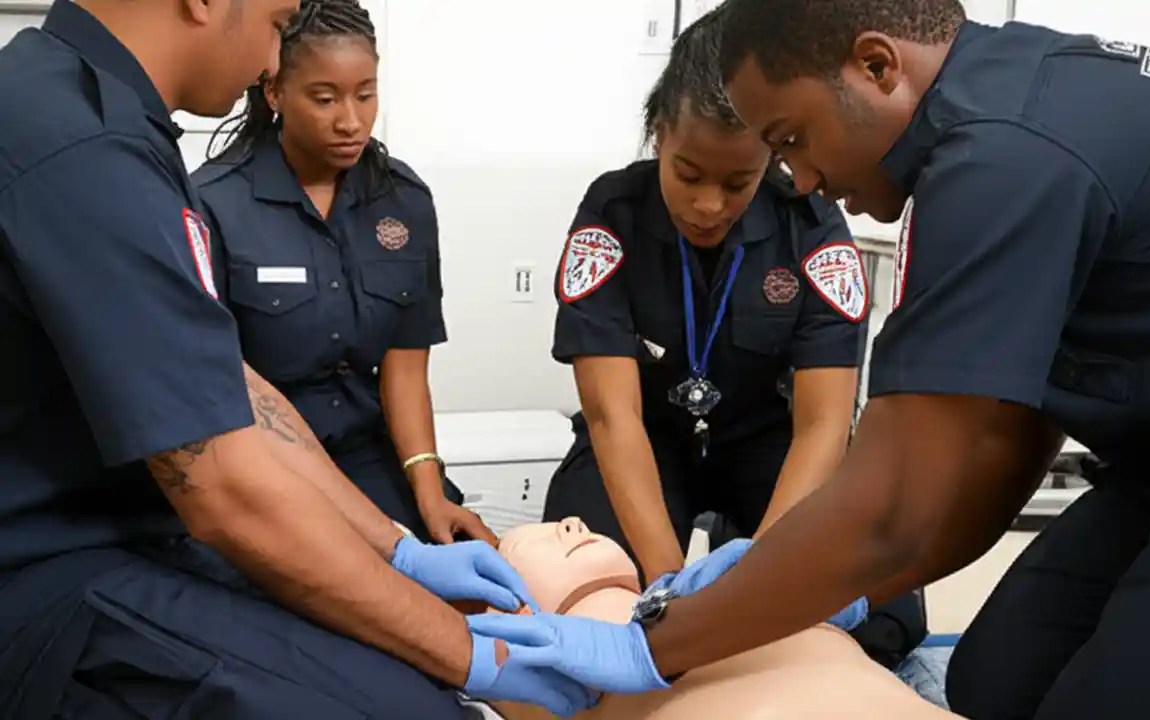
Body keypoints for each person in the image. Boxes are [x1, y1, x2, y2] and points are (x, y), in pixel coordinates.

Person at [462, 0, 1150, 717]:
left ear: (877, 66)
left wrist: (658, 645)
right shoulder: (1007, 99)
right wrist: (788, 588)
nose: (806, 179)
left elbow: (891, 504)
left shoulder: (998, 160)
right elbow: (1002, 439)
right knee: (993, 684)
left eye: (792, 140)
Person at [0, 1, 588, 717]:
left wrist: (398, 547)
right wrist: (475, 655)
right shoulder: (83, 150)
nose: (272, 63)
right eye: (280, 25)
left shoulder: (95, 114)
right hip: (57, 572)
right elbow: (223, 485)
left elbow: (218, 379)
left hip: (158, 521)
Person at [542, 7, 926, 665]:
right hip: (648, 436)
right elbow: (613, 418)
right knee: (581, 587)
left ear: (773, 156)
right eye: (689, 174)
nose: (709, 205)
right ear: (658, 135)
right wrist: (673, 591)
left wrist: (753, 587)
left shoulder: (811, 227)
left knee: (885, 614)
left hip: (768, 439)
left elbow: (824, 426)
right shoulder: (611, 214)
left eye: (738, 182)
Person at [192, 0, 487, 545]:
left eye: (365, 94)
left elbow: (404, 368)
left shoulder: (404, 201)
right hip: (261, 464)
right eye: (324, 99)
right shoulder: (214, 204)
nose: (351, 120)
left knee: (476, 579)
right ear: (275, 91)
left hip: (371, 460)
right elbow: (210, 388)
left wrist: (430, 494)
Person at [478, 518, 955, 720]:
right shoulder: (536, 662)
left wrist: (810, 584)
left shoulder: (709, 587)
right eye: (536, 539)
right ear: (509, 606)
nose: (572, 524)